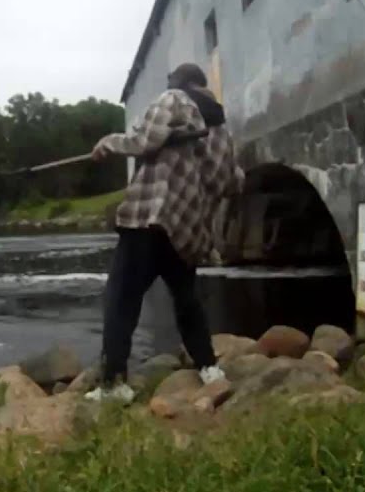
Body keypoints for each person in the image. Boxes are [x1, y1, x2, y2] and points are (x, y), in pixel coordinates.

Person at [85, 62, 245, 403]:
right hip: (188, 230)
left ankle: (114, 384)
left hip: (151, 217)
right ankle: (208, 368)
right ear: (204, 85)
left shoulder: (174, 99)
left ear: (180, 82)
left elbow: (145, 140)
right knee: (187, 300)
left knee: (121, 299)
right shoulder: (222, 128)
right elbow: (229, 182)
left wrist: (109, 143)